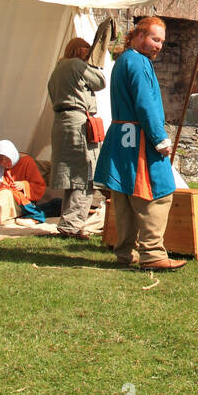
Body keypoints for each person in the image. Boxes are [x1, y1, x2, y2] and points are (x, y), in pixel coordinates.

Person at [93, 16, 185, 270]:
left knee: (124, 194)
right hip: (139, 138)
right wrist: (160, 139)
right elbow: (145, 105)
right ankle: (153, 254)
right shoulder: (138, 62)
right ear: (138, 35)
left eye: (162, 42)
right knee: (157, 191)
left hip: (122, 136)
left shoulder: (123, 61)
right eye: (154, 39)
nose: (158, 46)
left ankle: (125, 254)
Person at [48, 21, 115, 238]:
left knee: (73, 176)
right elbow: (100, 81)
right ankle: (71, 225)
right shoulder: (77, 65)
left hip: (61, 122)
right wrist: (94, 64)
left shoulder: (57, 69)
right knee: (86, 174)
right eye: (86, 48)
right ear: (79, 50)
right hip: (78, 122)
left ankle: (68, 221)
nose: (88, 52)